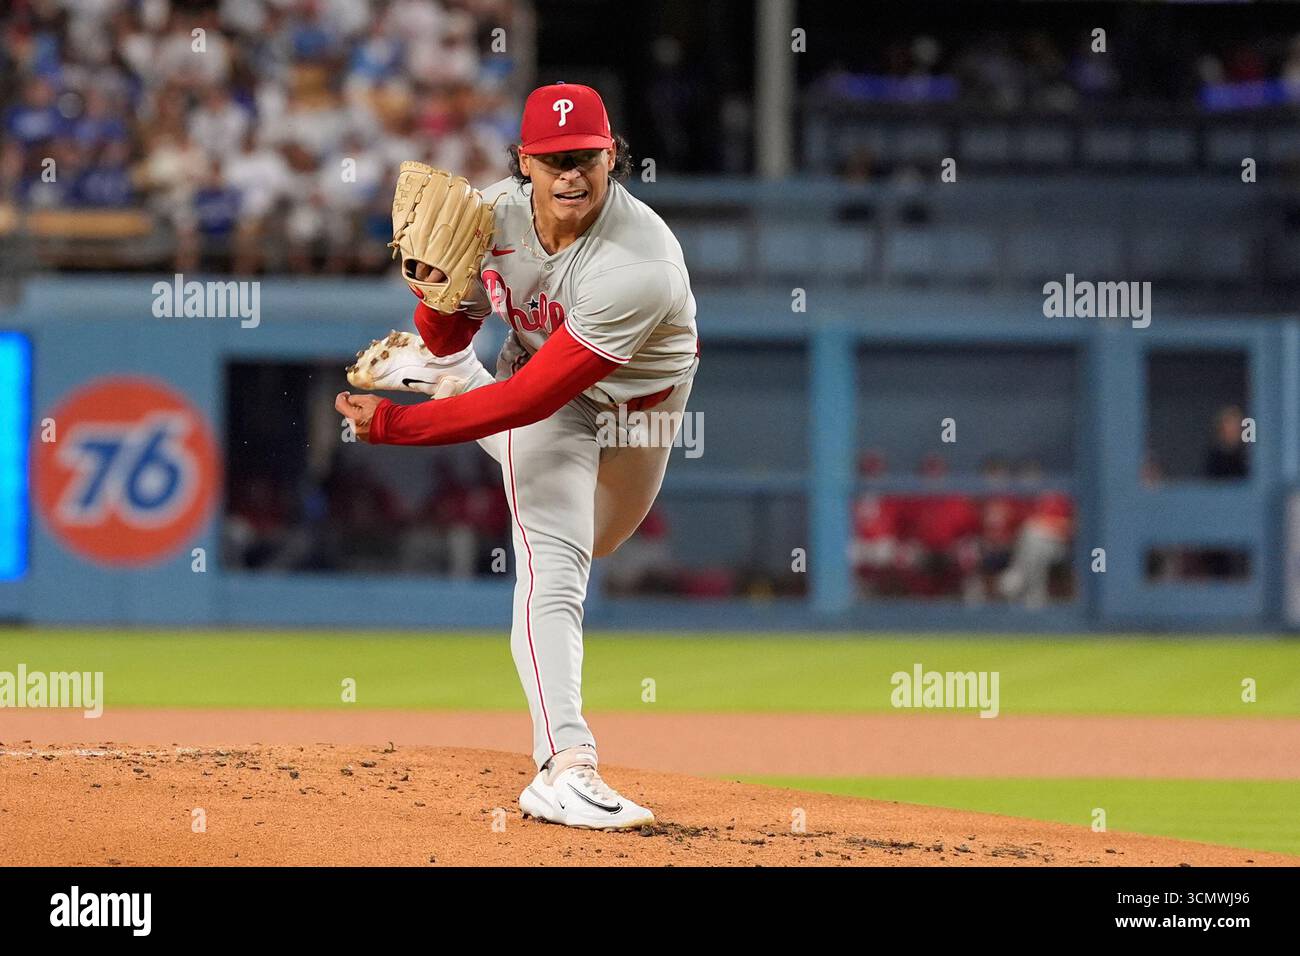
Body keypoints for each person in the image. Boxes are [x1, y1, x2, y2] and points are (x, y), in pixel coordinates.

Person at [335, 83, 699, 830]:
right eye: (554, 160)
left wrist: (401, 429)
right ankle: (565, 766)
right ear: (524, 164)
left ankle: (448, 391)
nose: (572, 176)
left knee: (597, 538)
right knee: (555, 564)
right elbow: (447, 337)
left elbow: (525, 399)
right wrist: (435, 297)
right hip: (544, 398)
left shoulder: (640, 262)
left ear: (612, 158)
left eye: (588, 159)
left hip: (639, 410)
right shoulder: (491, 217)